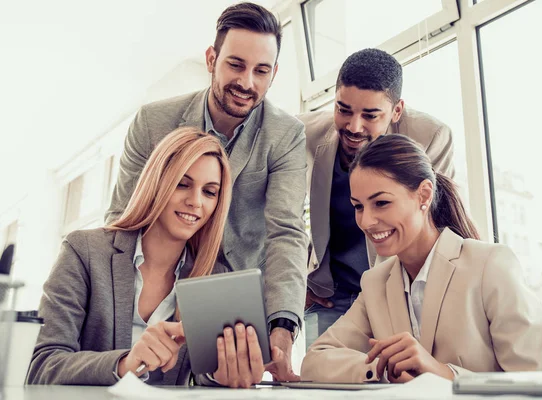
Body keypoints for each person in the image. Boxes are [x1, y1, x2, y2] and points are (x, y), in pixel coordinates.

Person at [104, 3, 307, 379]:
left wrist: (283, 327)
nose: (247, 82)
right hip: (161, 282)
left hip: (236, 295)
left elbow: (287, 233)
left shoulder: (287, 135)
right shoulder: (153, 122)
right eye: (236, 64)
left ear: (274, 73)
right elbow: (122, 217)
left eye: (261, 71)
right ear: (212, 58)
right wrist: (111, 311)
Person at [301, 134, 542, 383]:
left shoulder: (490, 266)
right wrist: (381, 368)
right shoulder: (375, 283)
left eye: (381, 203)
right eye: (358, 206)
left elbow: (539, 382)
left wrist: (440, 373)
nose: (366, 221)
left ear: (424, 195)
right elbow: (315, 360)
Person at [28, 127, 269, 387]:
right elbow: (42, 366)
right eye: (182, 184)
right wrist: (124, 364)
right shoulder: (84, 251)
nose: (195, 202)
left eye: (209, 192)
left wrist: (220, 376)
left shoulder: (216, 279)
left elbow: (198, 381)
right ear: (157, 182)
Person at [298, 48, 455, 346]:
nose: (354, 127)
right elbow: (279, 218)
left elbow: (436, 222)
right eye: (343, 110)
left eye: (370, 115)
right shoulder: (303, 134)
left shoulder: (430, 138)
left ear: (397, 111)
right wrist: (294, 285)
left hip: (402, 288)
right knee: (325, 381)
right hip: (331, 295)